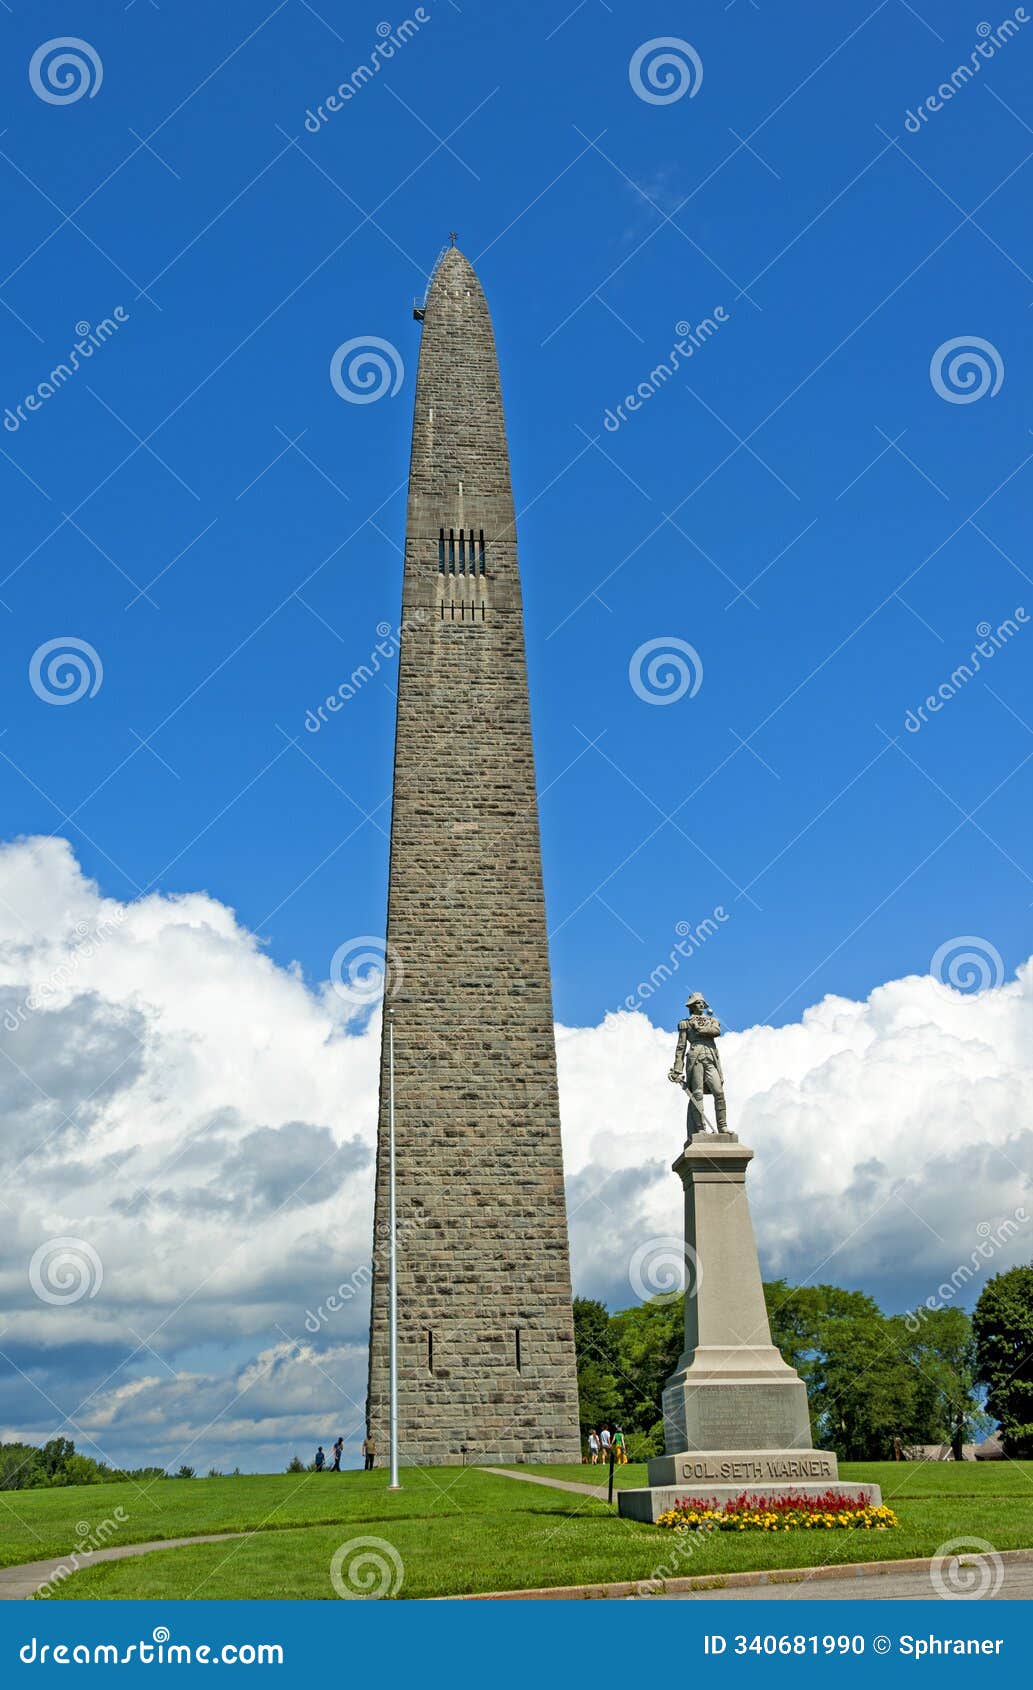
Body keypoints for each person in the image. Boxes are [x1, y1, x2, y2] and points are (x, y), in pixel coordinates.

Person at [668, 992, 727, 1135]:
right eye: (698, 1003)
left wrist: (699, 1028)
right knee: (697, 1094)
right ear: (692, 1006)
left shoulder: (712, 1021)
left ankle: (722, 1127)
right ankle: (701, 1129)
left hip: (711, 1059)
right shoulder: (685, 1023)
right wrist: (677, 1069)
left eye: (702, 1003)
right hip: (695, 1059)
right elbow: (681, 1047)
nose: (701, 1005)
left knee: (719, 1093)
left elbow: (716, 1031)